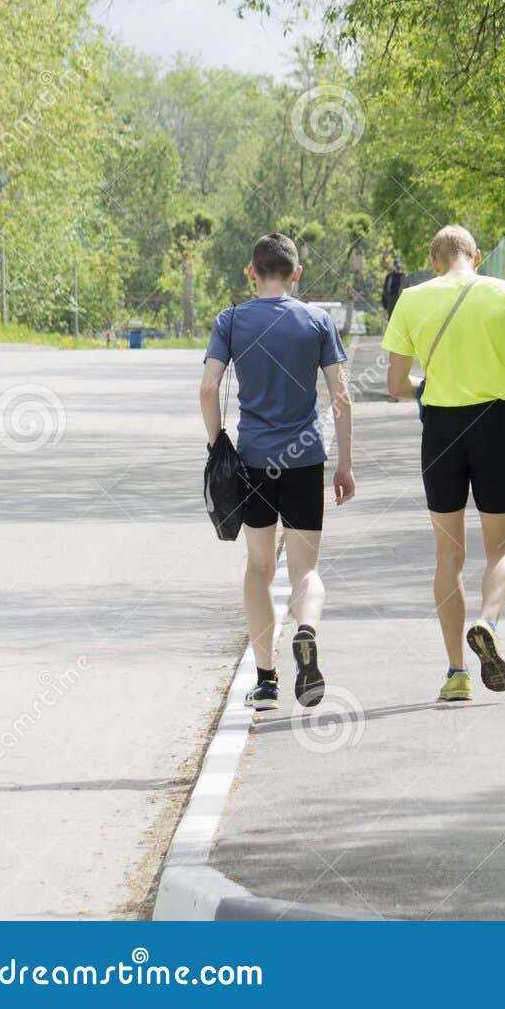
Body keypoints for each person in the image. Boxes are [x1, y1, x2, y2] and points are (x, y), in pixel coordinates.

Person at [383, 225, 505, 702]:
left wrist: (431, 387)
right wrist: (494, 377)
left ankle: (456, 673)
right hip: (492, 425)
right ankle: (487, 622)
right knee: (503, 551)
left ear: (434, 261)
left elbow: (394, 384)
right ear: (477, 256)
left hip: (440, 433)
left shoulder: (411, 300)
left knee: (449, 556)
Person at [200, 233, 356, 712]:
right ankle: (306, 630)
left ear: (251, 272)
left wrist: (216, 447)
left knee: (259, 569)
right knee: (306, 570)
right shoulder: (317, 320)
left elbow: (208, 390)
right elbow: (343, 398)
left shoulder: (231, 320)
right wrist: (345, 464)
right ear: (296, 274)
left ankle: (266, 681)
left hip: (254, 460)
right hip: (306, 459)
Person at [380, 256, 405, 329]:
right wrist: (384, 303)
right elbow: (385, 291)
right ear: (394, 266)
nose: (397, 267)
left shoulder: (404, 276)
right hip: (390, 301)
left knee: (400, 321)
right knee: (391, 321)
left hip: (400, 301)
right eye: (396, 266)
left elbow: (406, 290)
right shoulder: (389, 276)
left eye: (398, 266)